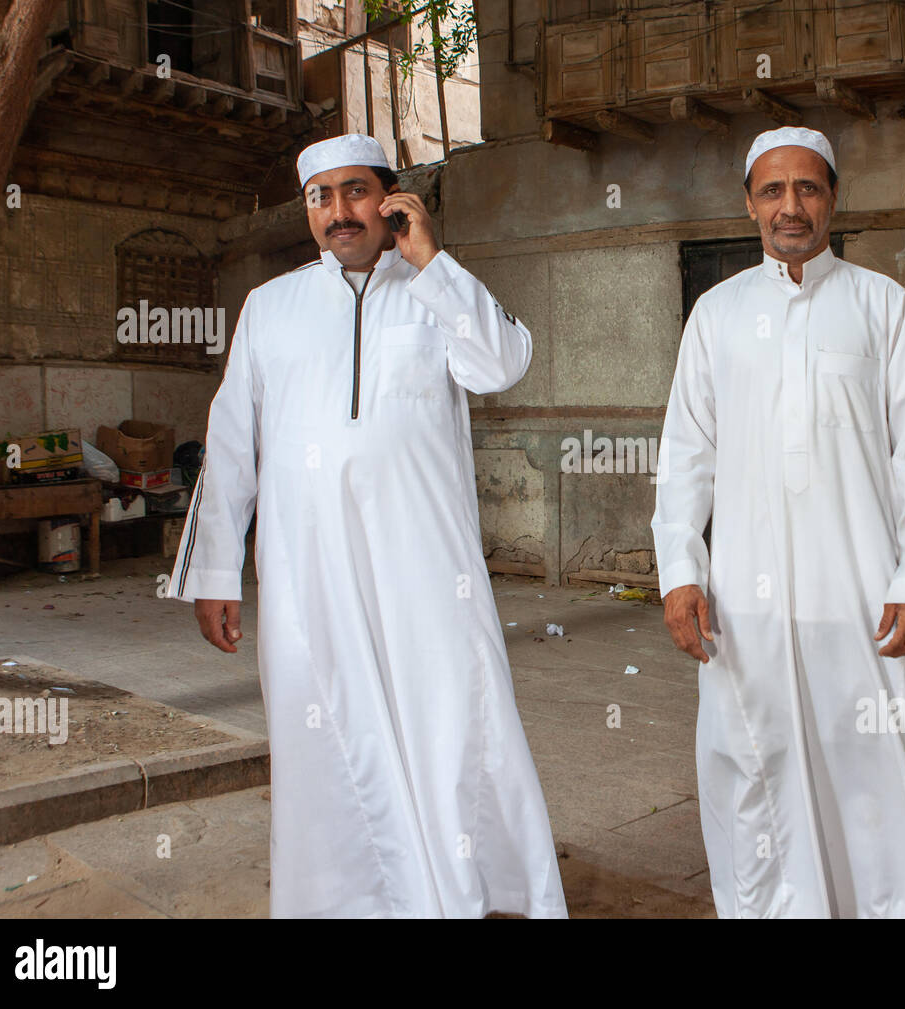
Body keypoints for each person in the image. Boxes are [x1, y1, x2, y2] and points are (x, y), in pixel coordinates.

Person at [167, 133, 566, 918]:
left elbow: (500, 363)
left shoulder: (436, 291)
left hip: (426, 572)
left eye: (355, 191)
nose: (337, 211)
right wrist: (215, 573)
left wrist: (433, 265)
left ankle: (460, 891)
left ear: (391, 200)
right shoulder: (271, 307)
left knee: (452, 721)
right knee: (326, 736)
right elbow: (231, 445)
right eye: (320, 196)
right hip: (307, 574)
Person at [651, 126, 905, 918]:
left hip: (860, 599)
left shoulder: (880, 304)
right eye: (773, 190)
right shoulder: (716, 315)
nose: (792, 206)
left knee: (878, 775)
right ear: (749, 203)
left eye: (808, 188)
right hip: (743, 610)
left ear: (832, 198)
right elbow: (687, 454)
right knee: (752, 775)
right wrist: (681, 573)